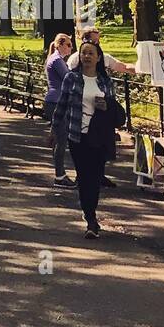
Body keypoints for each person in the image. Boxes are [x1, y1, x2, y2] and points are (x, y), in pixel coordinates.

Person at [53, 40, 121, 239]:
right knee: (84, 177)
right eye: (84, 53)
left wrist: (106, 106)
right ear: (79, 57)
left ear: (98, 57)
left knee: (96, 176)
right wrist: (54, 129)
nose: (87, 56)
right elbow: (62, 105)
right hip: (77, 135)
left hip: (99, 136)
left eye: (91, 53)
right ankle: (90, 217)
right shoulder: (71, 79)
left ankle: (90, 210)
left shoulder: (106, 82)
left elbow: (114, 109)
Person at [65, 24, 130, 186]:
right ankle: (84, 179)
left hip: (99, 121)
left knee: (100, 150)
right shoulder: (75, 61)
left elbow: (123, 67)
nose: (96, 43)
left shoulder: (104, 73)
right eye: (93, 40)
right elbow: (67, 92)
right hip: (79, 123)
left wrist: (145, 69)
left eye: (98, 40)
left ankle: (97, 177)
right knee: (83, 160)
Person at [44, 33, 76, 189]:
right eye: (68, 45)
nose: (71, 47)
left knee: (59, 138)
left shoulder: (56, 59)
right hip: (57, 102)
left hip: (54, 101)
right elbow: (69, 77)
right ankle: (59, 176)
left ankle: (60, 173)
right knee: (62, 139)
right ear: (60, 45)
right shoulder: (57, 60)